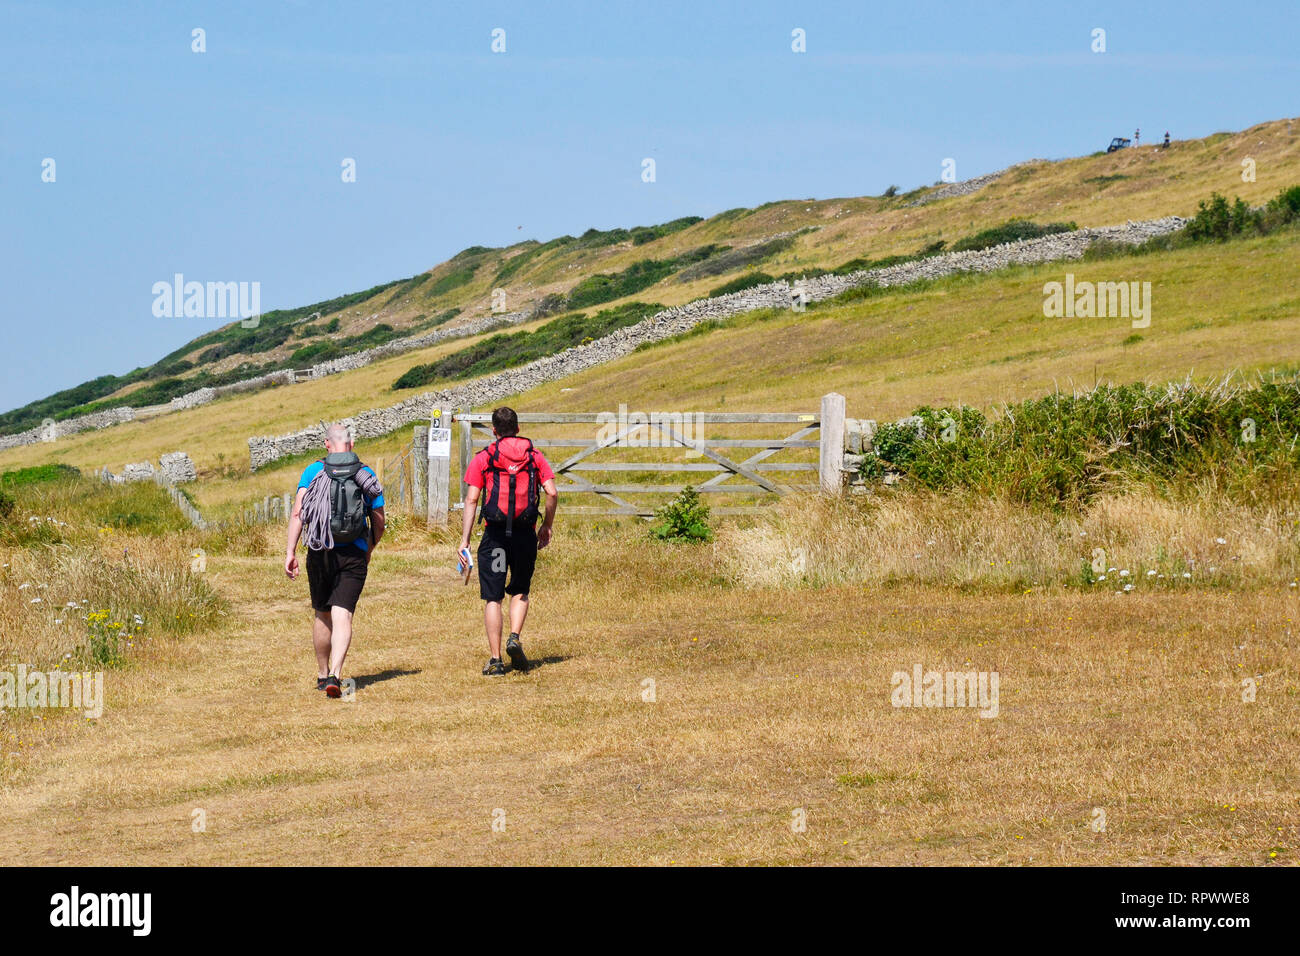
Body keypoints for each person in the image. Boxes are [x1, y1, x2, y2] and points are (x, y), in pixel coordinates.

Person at [285, 424, 385, 697]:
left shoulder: (312, 471)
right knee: (344, 614)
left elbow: (298, 513)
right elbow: (379, 519)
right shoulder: (365, 473)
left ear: (327, 444)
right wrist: (369, 548)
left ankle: (321, 674)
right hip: (353, 551)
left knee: (322, 613)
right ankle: (336, 674)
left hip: (319, 550)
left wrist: (290, 552)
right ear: (351, 444)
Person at [457, 407, 558, 676]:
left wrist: (465, 540)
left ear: (494, 430)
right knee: (520, 590)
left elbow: (471, 499)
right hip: (525, 535)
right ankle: (514, 636)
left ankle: (496, 660)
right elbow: (552, 492)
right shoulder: (534, 457)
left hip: (496, 536)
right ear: (518, 428)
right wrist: (546, 526)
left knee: (493, 597)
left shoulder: (485, 457)